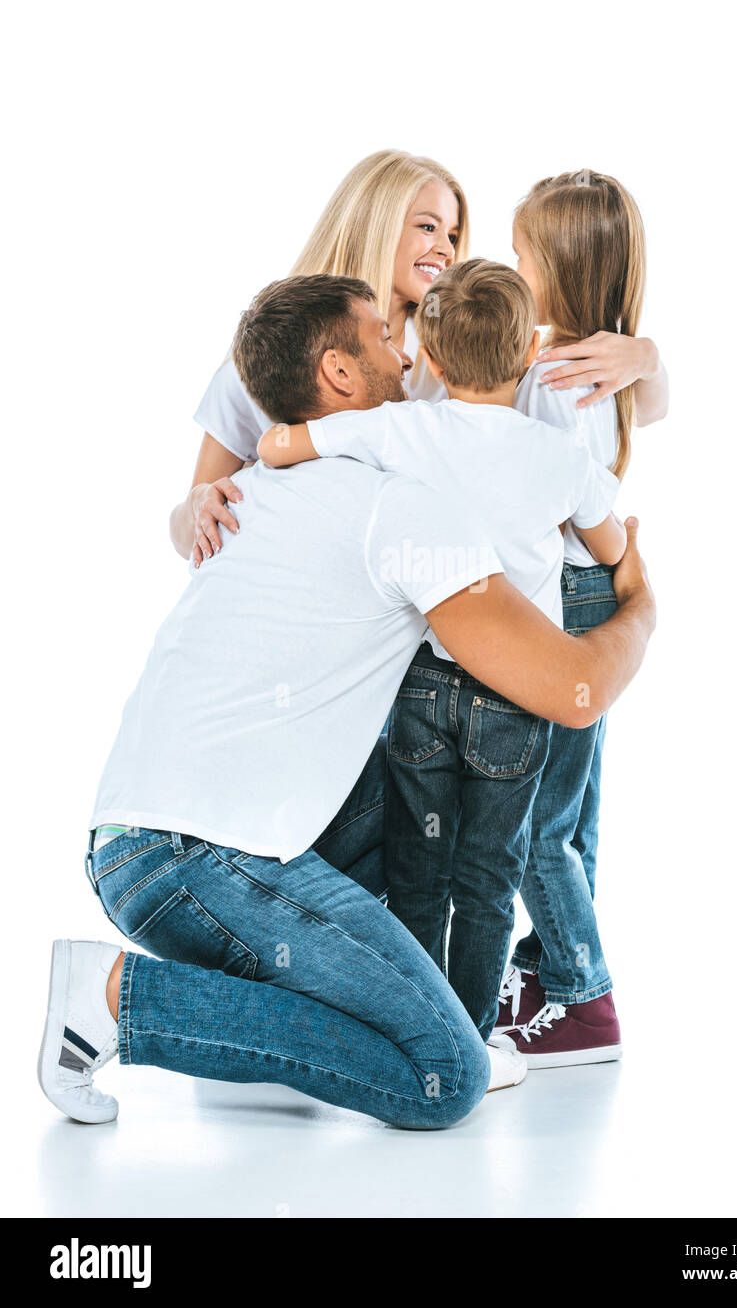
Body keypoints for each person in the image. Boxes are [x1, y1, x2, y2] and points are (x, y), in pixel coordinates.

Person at [38, 274, 656, 1131]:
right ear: (337, 371)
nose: (403, 350)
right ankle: (118, 998)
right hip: (201, 859)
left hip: (141, 843)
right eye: (379, 335)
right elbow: (571, 691)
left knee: (424, 780)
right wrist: (641, 606)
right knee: (445, 1073)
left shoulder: (260, 485)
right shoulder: (394, 507)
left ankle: (247, 1019)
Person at [257, 258, 626, 1040]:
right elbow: (607, 538)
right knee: (490, 874)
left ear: (428, 355)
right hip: (516, 698)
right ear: (527, 353)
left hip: (424, 687)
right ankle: (469, 1033)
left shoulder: (400, 426)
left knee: (418, 868)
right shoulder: (556, 455)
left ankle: (414, 1023)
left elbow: (280, 443)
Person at [170, 149, 667, 566]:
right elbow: (188, 525)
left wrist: (646, 358)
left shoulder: (457, 344)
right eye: (428, 227)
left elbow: (619, 413)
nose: (446, 249)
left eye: (452, 235)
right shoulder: (267, 353)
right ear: (376, 227)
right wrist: (196, 508)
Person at [492, 170, 654, 1066]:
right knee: (574, 809)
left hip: (561, 591)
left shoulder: (554, 372)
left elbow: (558, 498)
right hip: (592, 587)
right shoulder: (604, 354)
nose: (510, 266)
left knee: (531, 822)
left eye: (521, 252)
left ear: (557, 264)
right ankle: (556, 970)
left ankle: (583, 1001)